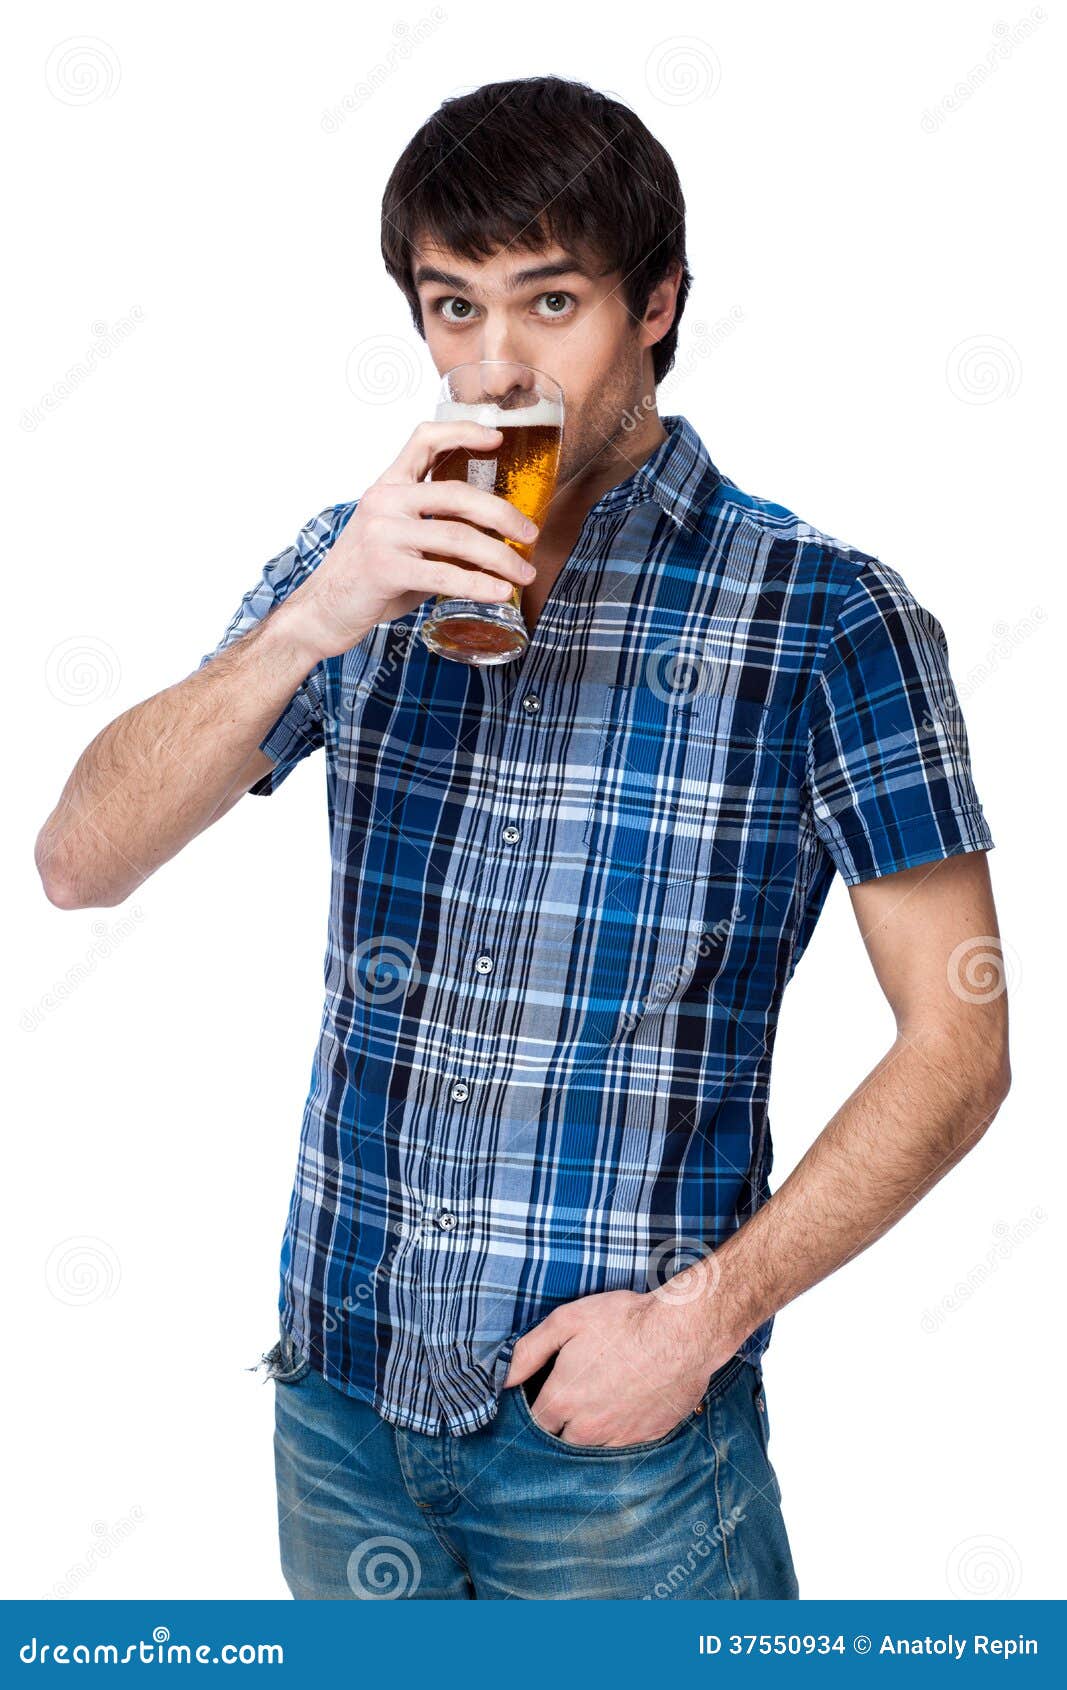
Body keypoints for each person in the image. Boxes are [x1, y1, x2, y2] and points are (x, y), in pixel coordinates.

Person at [34, 76, 1010, 1602]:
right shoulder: (359, 560)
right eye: (453, 306)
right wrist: (318, 616)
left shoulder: (827, 616)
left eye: (551, 300)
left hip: (615, 1447)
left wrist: (694, 1326)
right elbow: (77, 860)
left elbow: (960, 1053)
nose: (496, 364)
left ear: (660, 304)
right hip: (339, 1410)